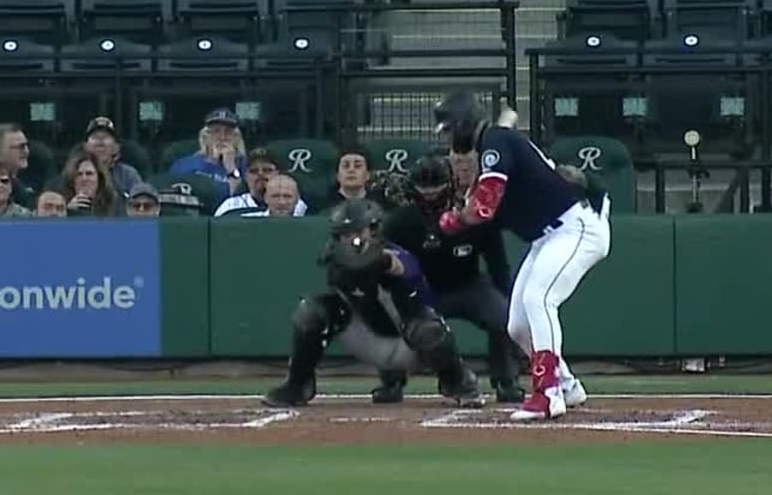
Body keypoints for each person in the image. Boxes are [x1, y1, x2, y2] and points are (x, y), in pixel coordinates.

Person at [433, 91, 611, 422]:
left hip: (576, 227)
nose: (448, 136)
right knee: (517, 326)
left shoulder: (497, 140)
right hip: (548, 237)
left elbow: (484, 208)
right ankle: (568, 385)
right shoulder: (494, 145)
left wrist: (456, 219)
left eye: (449, 127)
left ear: (463, 122)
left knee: (539, 300)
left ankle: (548, 392)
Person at [262, 198, 484, 408]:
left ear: (375, 230)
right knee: (310, 312)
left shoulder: (395, 254)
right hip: (368, 339)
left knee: (428, 329)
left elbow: (399, 266)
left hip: (409, 345)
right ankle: (298, 385)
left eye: (357, 233)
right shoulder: (335, 262)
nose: (351, 240)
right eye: (344, 235)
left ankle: (458, 381)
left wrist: (379, 261)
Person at [378, 154, 524, 404]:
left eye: (437, 187)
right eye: (424, 188)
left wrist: (509, 300)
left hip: (468, 285)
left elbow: (498, 264)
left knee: (502, 318)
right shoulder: (399, 222)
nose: (431, 194)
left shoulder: (474, 217)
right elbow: (385, 272)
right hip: (421, 290)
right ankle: (392, 382)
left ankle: (506, 380)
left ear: (451, 185)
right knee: (389, 317)